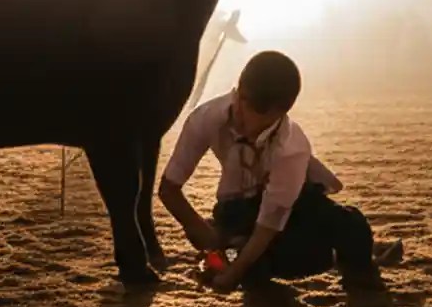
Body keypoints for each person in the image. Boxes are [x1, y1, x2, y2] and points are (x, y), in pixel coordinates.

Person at [157, 51, 402, 291]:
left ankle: (357, 263)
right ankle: (237, 247)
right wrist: (199, 229)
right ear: (240, 95)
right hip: (236, 210)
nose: (251, 129)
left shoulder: (291, 146)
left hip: (297, 203)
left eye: (266, 123)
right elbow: (168, 189)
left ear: (283, 112)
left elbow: (269, 222)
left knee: (348, 229)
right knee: (247, 262)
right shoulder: (205, 119)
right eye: (249, 115)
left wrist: (235, 272)